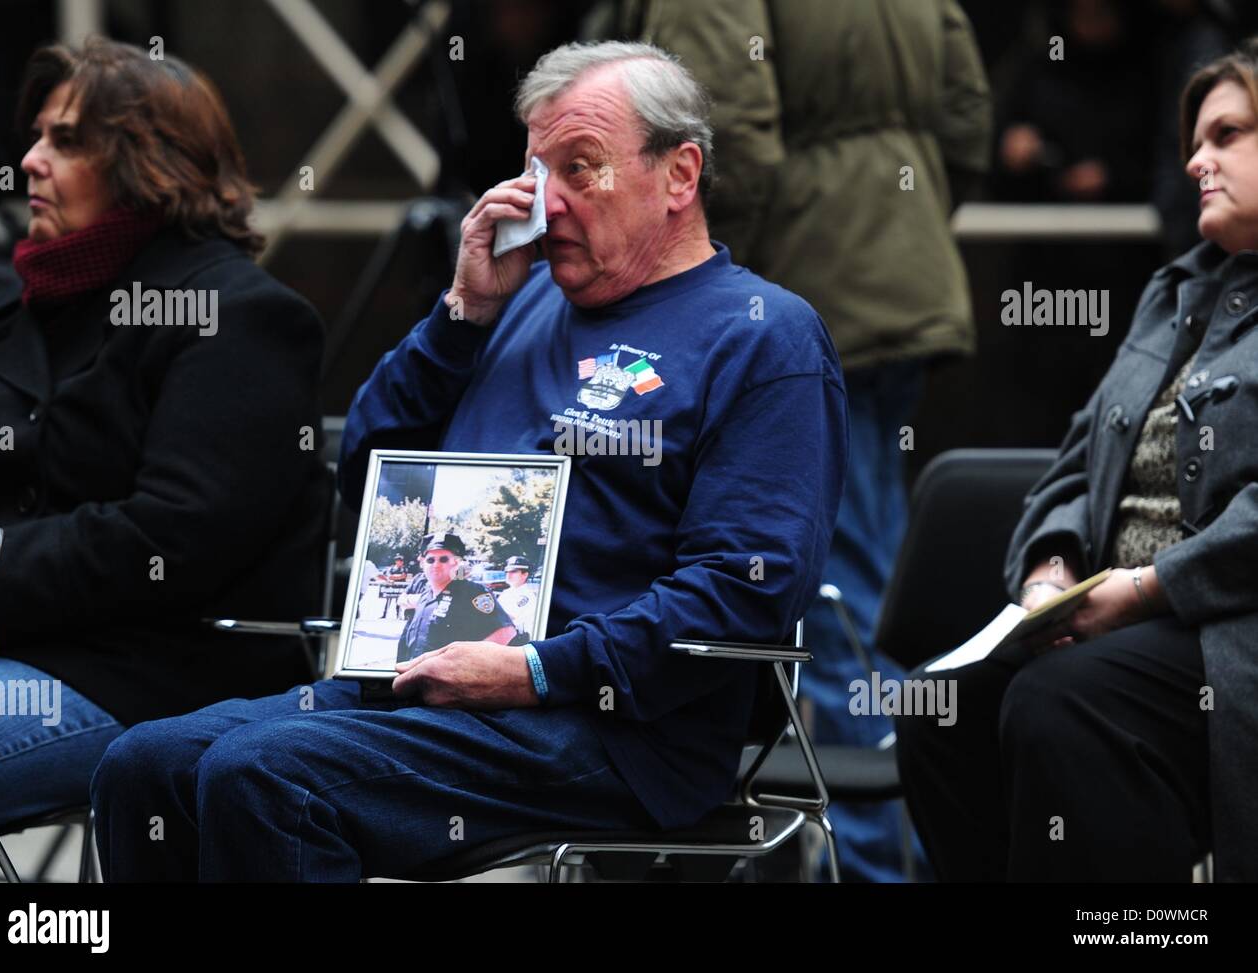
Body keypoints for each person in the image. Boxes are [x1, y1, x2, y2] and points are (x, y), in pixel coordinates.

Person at [89, 40, 847, 882]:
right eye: (534, 173)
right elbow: (369, 476)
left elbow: (744, 590)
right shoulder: (514, 306)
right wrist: (461, 312)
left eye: (581, 169)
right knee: (142, 765)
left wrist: (532, 669)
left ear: (679, 174)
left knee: (266, 777)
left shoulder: (762, 336)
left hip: (612, 724)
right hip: (432, 680)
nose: (547, 205)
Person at [619, 0, 990, 881]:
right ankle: (912, 840)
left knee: (840, 594)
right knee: (876, 578)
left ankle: (885, 860)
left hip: (799, 292)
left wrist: (718, 274)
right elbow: (968, 117)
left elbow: (717, 142)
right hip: (894, 276)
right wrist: (904, 209)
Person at [896, 39, 1258, 882]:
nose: (1198, 161)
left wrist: (1147, 590)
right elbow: (1072, 464)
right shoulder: (1175, 295)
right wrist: (1051, 572)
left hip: (1225, 626)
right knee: (936, 707)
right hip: (1120, 620)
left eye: (1229, 134)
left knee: (1064, 703)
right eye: (1193, 144)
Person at [0, 38, 326, 829]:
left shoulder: (238, 314)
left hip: (154, 680)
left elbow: (170, 538)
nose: (28, 161)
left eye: (66, 140)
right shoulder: (20, 304)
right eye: (36, 136)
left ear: (147, 162)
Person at [397, 532, 516, 661]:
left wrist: (468, 663)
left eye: (443, 559)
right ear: (423, 564)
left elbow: (506, 632)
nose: (436, 564)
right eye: (430, 560)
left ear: (456, 563)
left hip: (449, 678)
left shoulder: (473, 592)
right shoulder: (425, 597)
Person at [497, 554, 538, 642]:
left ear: (525, 575)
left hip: (519, 640)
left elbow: (508, 617)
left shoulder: (526, 595)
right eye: (507, 571)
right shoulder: (506, 593)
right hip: (505, 636)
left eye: (513, 571)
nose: (508, 574)